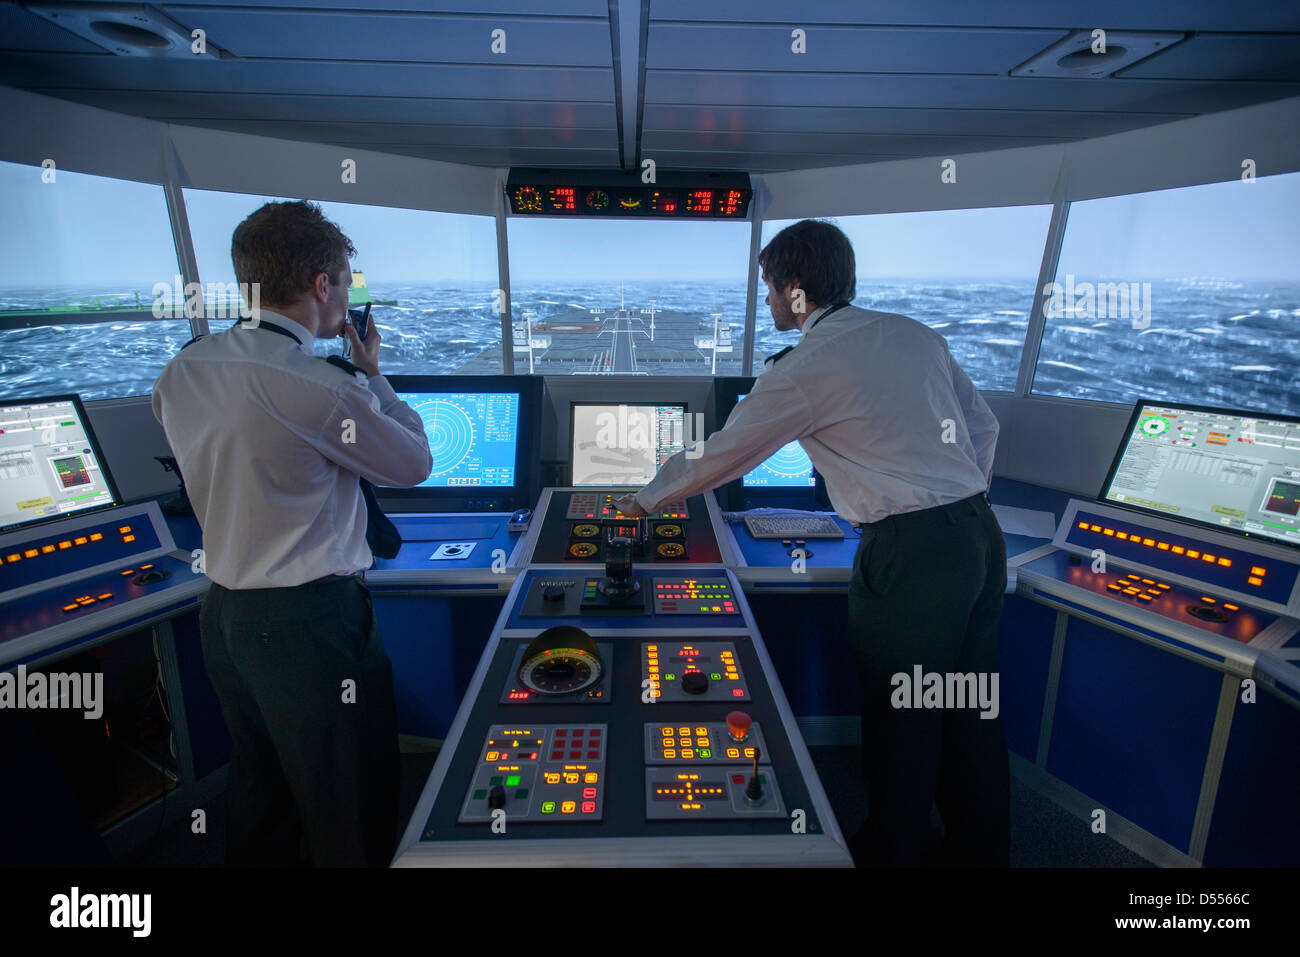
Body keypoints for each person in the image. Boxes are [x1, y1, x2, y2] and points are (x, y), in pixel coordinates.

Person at [613, 219, 1008, 866]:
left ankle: (892, 851)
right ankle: (982, 855)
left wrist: (641, 500)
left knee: (902, 715)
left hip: (911, 554)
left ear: (795, 290)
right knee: (970, 711)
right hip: (978, 537)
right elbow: (981, 427)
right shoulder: (913, 334)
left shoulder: (805, 367)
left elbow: (720, 455)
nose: (767, 300)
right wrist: (956, 503)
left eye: (769, 287)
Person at [152, 201, 433, 866]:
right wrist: (372, 373)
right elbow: (415, 462)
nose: (346, 294)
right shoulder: (318, 386)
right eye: (345, 280)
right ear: (320, 285)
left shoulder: (183, 370)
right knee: (348, 798)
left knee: (262, 786)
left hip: (225, 616)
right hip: (310, 622)